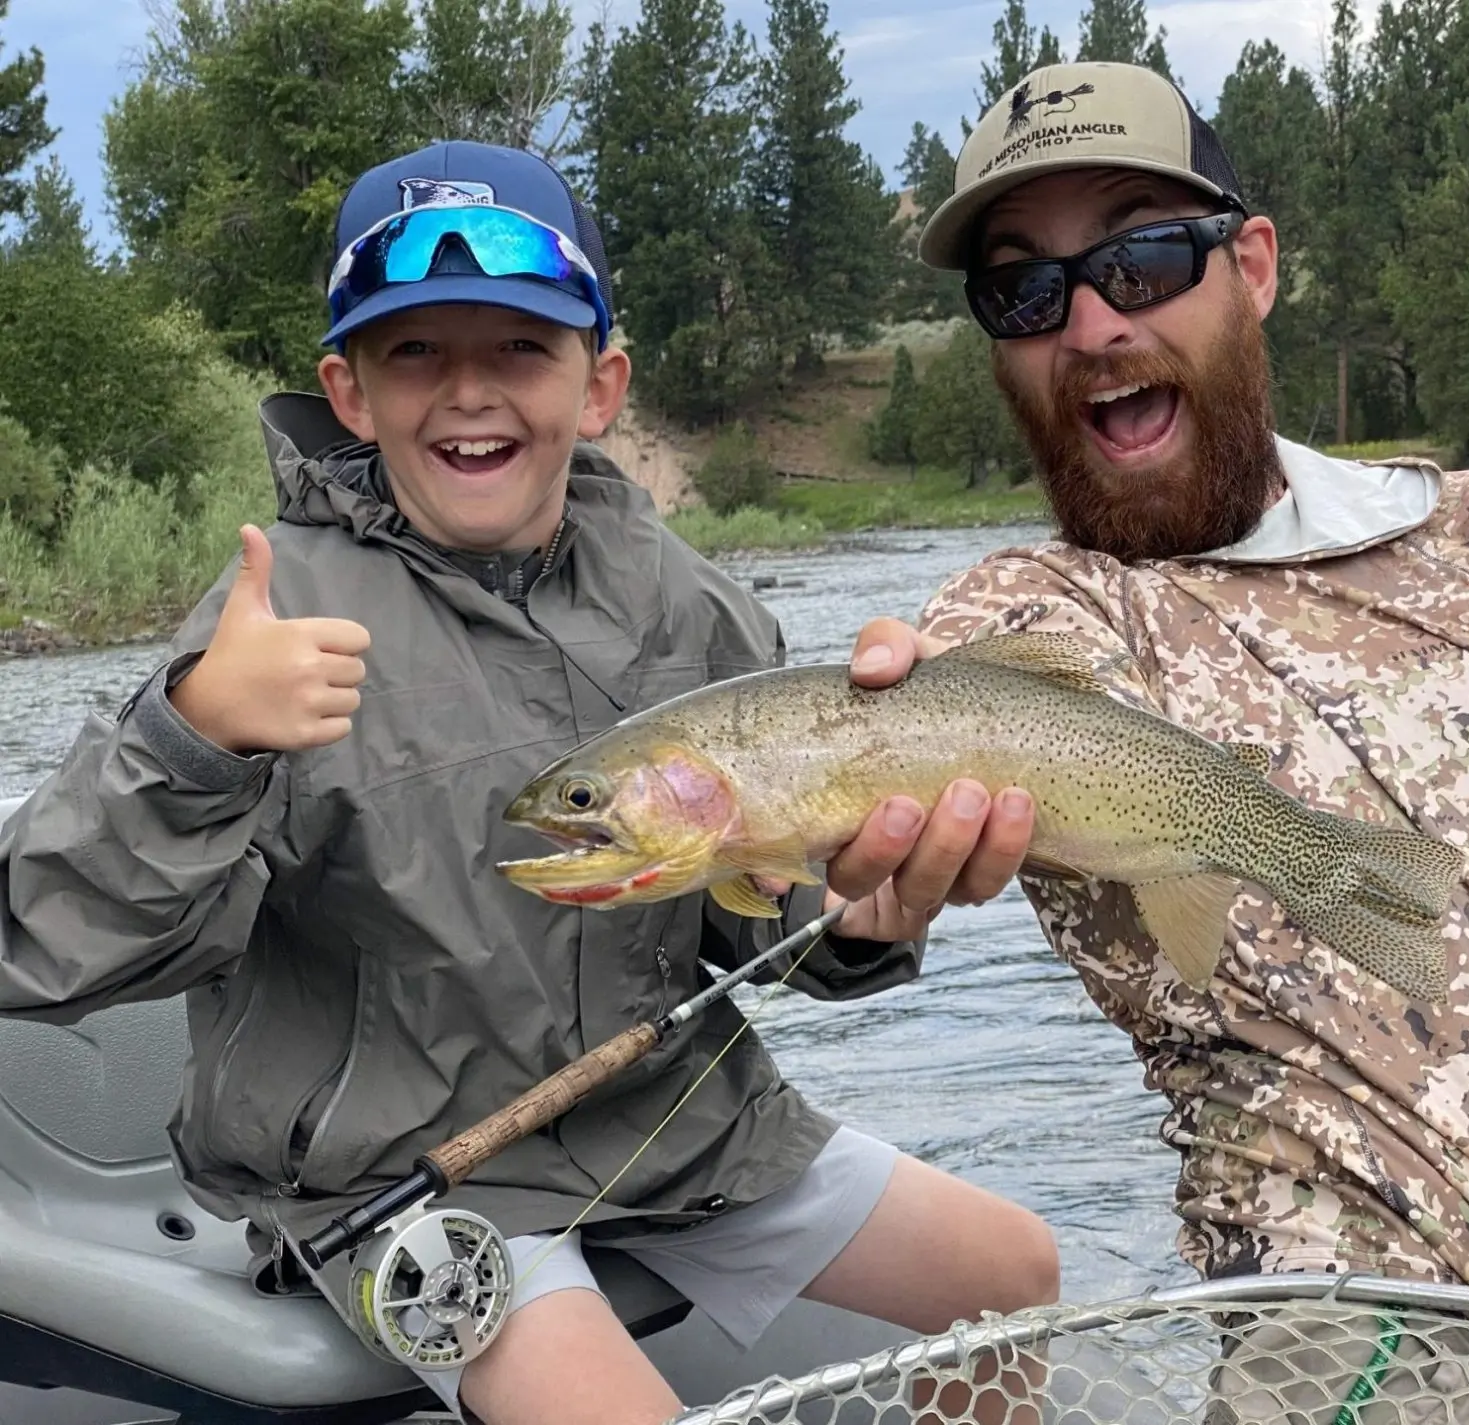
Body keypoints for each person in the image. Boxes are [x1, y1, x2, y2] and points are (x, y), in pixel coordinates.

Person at [0, 140, 1055, 1425]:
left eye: (518, 349)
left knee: (1015, 1270)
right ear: (349, 392)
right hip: (397, 1183)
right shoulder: (270, 629)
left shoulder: (693, 602)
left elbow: (757, 924)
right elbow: (41, 950)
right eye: (414, 355)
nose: (468, 394)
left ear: (599, 383)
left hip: (684, 1134)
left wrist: (864, 923)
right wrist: (195, 742)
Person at [845, 60, 1469, 1424]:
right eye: (1023, 289)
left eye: (1144, 258)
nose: (1092, 323)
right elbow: (905, 762)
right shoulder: (1034, 613)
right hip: (1333, 1351)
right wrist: (858, 890)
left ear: (1255, 267)